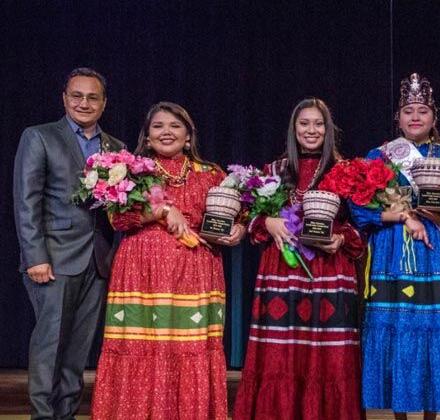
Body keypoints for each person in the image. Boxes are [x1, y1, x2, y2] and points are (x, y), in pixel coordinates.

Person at [90, 102, 244, 419]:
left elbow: (238, 217)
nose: (166, 132)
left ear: (188, 136)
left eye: (175, 126)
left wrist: (238, 231)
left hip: (195, 273)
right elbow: (118, 220)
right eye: (158, 126)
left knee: (190, 349)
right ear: (147, 137)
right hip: (141, 273)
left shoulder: (211, 174)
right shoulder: (130, 171)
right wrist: (159, 210)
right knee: (142, 348)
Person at [351, 73, 440, 419]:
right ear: (398, 118)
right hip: (391, 253)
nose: (415, 117)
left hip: (435, 251)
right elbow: (360, 208)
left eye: (422, 110)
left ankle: (432, 415)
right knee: (397, 326)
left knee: (433, 329)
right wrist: (399, 216)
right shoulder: (379, 156)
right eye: (408, 111)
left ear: (435, 117)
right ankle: (399, 415)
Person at [233, 98, 365, 420]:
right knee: (281, 353)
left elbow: (363, 225)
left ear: (329, 130)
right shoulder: (274, 172)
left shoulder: (345, 171)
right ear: (294, 129)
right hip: (283, 269)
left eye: (318, 124)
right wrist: (267, 222)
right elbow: (246, 218)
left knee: (329, 357)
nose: (311, 130)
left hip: (330, 270)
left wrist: (341, 238)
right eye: (304, 123)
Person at [12, 67, 125, 419]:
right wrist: (35, 256)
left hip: (98, 260)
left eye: (93, 97)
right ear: (64, 98)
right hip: (53, 259)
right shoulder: (40, 137)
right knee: (50, 345)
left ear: (104, 103)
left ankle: (66, 414)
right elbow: (26, 201)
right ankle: (43, 415)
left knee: (79, 349)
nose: (84, 103)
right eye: (77, 95)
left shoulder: (116, 148)